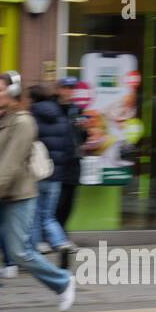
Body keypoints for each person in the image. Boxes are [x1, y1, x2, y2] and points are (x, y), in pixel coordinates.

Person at [0, 72, 75, 312]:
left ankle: (63, 281)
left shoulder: (24, 122)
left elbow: (10, 164)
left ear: (13, 93)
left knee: (19, 253)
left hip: (18, 196)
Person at [28, 83, 77, 260]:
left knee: (34, 215)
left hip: (35, 173)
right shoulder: (61, 117)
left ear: (32, 99)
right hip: (55, 173)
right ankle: (60, 242)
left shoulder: (31, 116)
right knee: (48, 215)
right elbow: (69, 147)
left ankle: (34, 251)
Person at [54, 77, 85, 229]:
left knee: (68, 204)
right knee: (55, 204)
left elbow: (82, 136)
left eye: (71, 89)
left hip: (73, 165)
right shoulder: (52, 109)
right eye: (66, 88)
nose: (69, 92)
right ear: (58, 89)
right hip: (56, 165)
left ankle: (62, 234)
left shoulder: (77, 111)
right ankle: (54, 237)